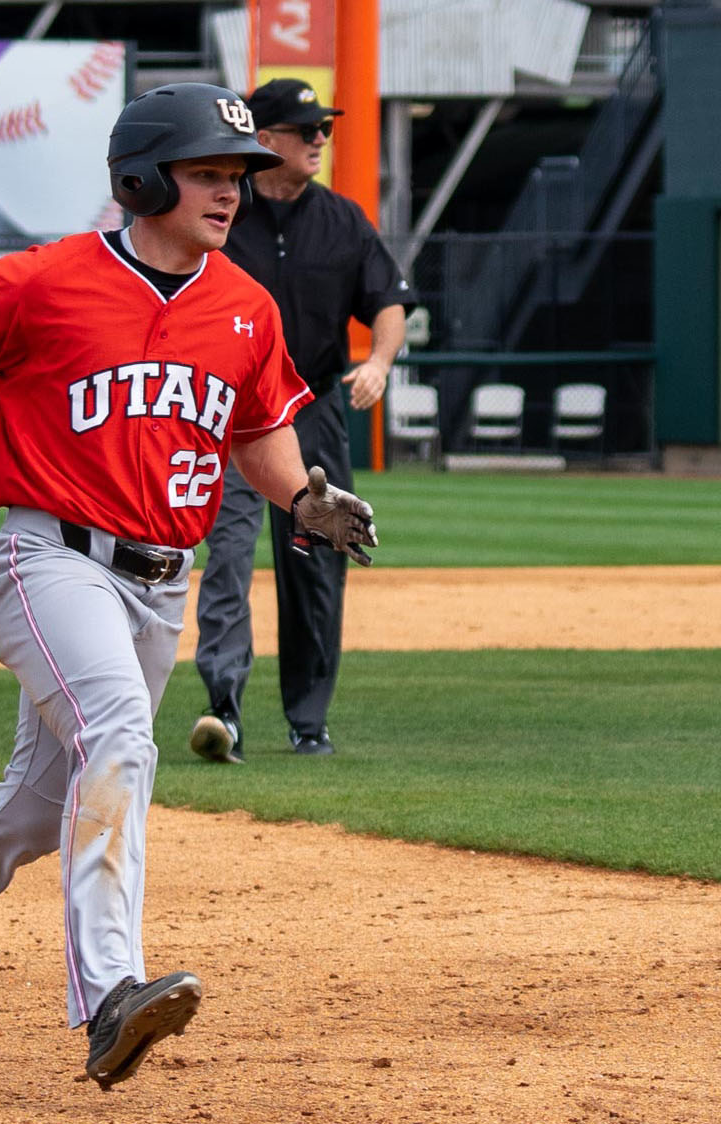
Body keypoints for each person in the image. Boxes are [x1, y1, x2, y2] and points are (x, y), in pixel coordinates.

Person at [0, 83, 380, 1091]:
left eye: (239, 175)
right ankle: (108, 994)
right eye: (209, 173)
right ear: (141, 179)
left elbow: (256, 438)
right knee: (122, 733)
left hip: (156, 589)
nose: (230, 193)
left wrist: (303, 500)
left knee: (40, 805)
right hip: (46, 560)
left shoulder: (243, 308)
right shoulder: (50, 280)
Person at [188, 77, 413, 764]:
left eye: (325, 129)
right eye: (307, 129)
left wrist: (377, 360)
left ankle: (308, 720)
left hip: (311, 406)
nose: (320, 139)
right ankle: (223, 710)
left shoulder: (342, 219)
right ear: (264, 140)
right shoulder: (225, 216)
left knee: (317, 557)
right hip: (226, 412)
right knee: (226, 557)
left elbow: (389, 299)